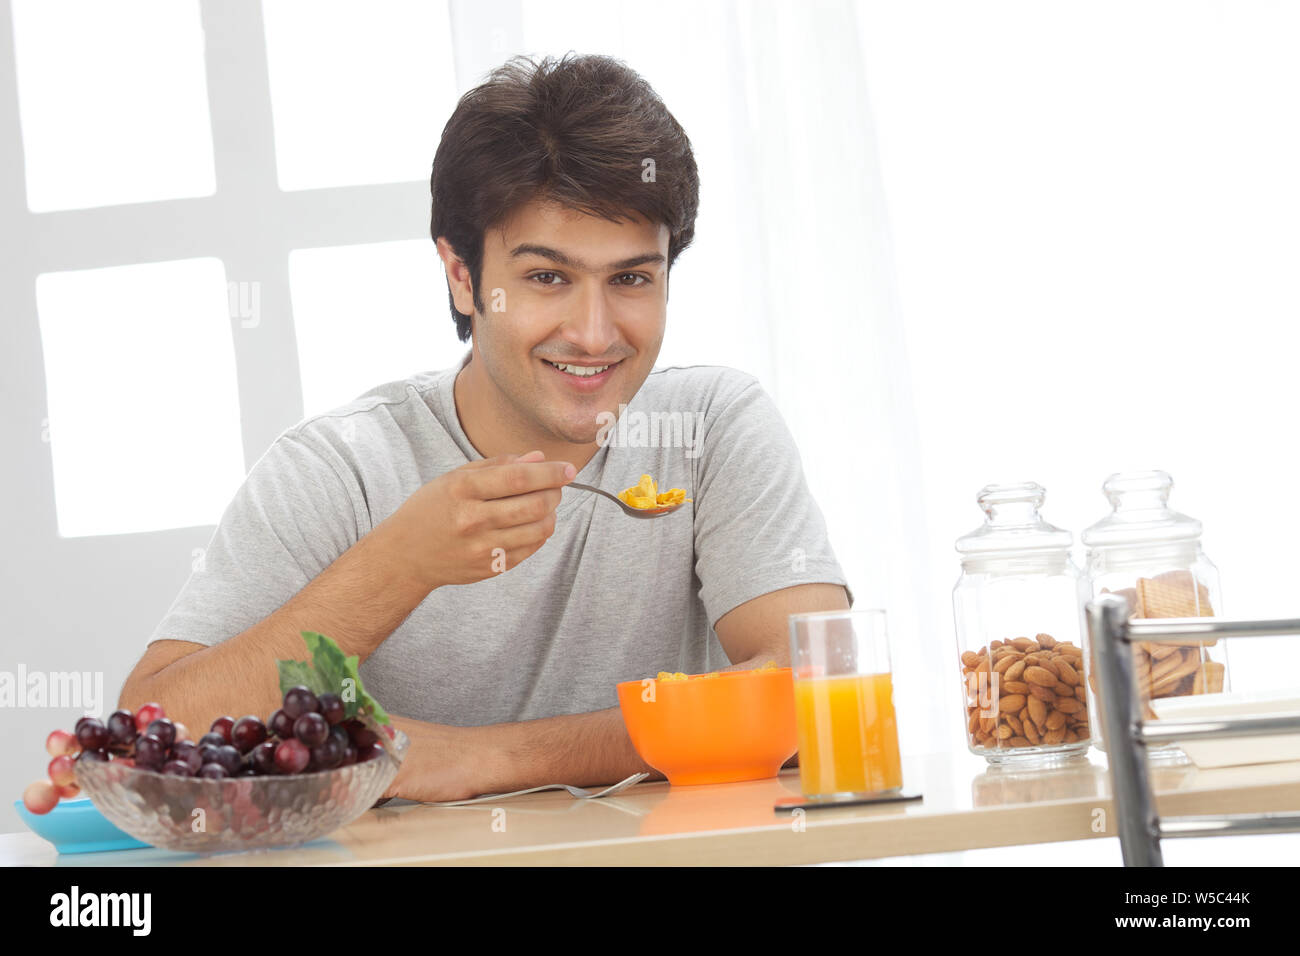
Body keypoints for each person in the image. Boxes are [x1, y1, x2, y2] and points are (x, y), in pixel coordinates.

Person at [120, 53, 851, 801]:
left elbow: (816, 689)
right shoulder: (339, 470)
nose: (595, 334)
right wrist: (399, 566)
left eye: (632, 278)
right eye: (546, 278)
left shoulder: (710, 429)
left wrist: (490, 760)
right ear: (462, 277)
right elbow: (148, 738)